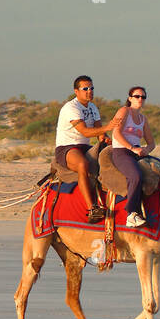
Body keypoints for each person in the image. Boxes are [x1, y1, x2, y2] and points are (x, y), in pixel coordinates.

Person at [55, 75, 124, 221]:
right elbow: (85, 131)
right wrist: (109, 126)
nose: (89, 91)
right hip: (67, 147)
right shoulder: (71, 108)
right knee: (83, 164)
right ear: (76, 91)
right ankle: (91, 207)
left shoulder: (92, 107)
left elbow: (99, 132)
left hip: (85, 146)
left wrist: (107, 139)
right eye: (85, 89)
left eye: (91, 88)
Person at [111, 86, 156, 228]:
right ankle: (131, 213)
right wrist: (132, 148)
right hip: (122, 152)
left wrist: (146, 150)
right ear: (130, 98)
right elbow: (116, 133)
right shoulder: (124, 111)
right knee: (135, 176)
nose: (140, 99)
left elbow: (152, 143)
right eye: (137, 96)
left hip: (137, 153)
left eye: (143, 97)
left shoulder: (143, 118)